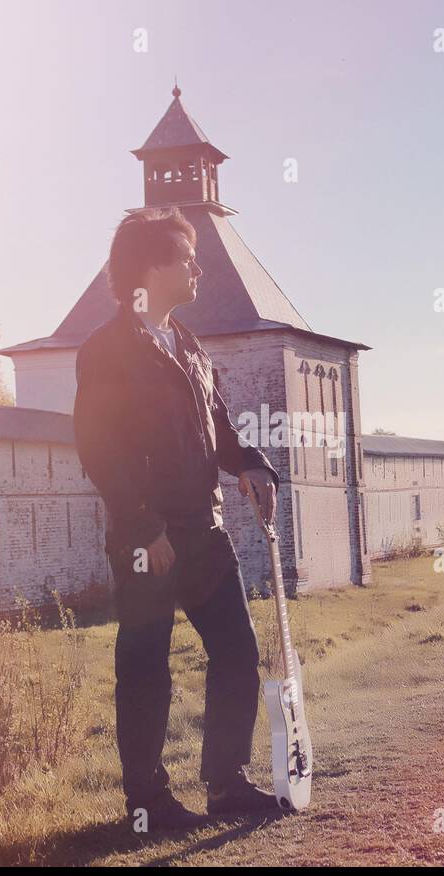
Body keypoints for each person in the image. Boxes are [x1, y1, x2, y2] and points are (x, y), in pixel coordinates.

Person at [73, 206, 283, 830]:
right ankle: (147, 804)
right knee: (144, 665)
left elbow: (216, 425)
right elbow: (99, 448)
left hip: (203, 529)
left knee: (237, 652)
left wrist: (249, 464)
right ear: (150, 267)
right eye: (185, 257)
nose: (197, 267)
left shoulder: (187, 344)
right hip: (149, 540)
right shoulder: (106, 350)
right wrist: (141, 526)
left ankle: (225, 784)